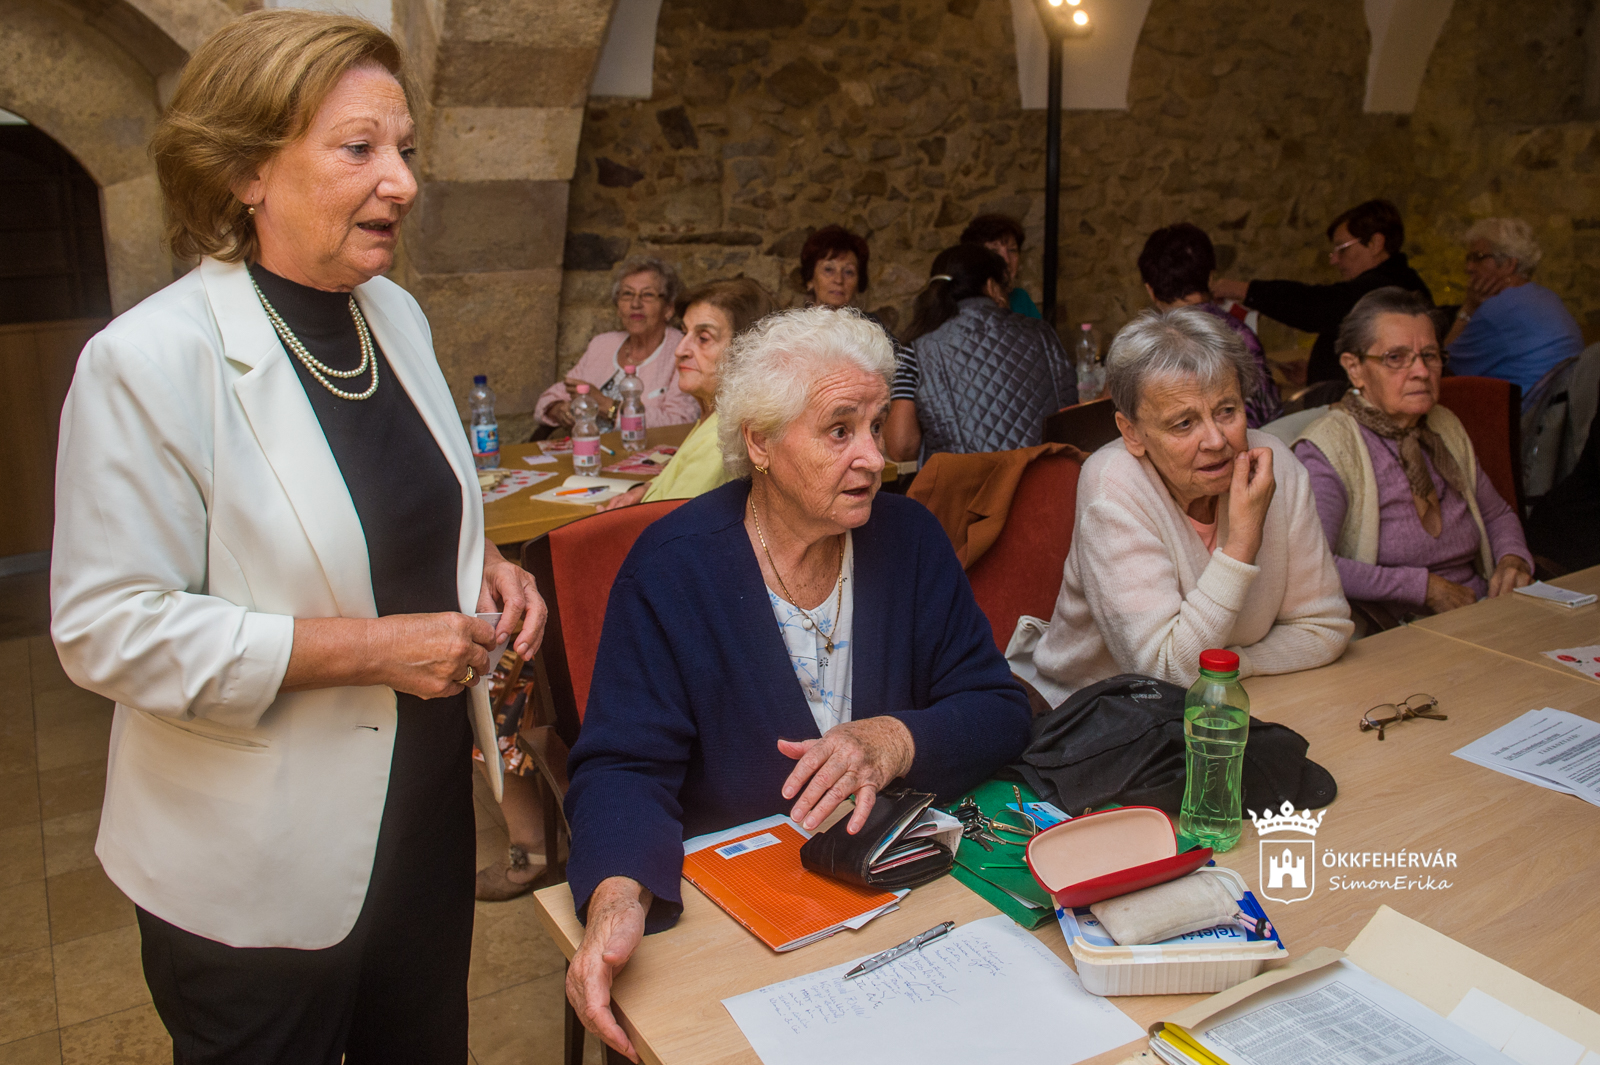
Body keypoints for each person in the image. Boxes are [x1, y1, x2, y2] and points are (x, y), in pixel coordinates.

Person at [48, 10, 547, 1061]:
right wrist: (371, 649)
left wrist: (484, 565)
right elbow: (107, 629)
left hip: (421, 825)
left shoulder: (395, 316)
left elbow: (398, 507)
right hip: (251, 863)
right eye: (360, 148)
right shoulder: (150, 360)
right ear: (246, 171)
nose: (402, 181)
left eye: (404, 149)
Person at [562, 306, 1032, 1061]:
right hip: (740, 919)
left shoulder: (908, 539)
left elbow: (998, 709)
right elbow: (624, 766)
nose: (874, 457)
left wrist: (893, 739)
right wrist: (618, 897)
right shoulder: (673, 568)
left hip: (900, 897)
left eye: (875, 425)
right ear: (760, 442)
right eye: (839, 430)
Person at [1014, 307, 1351, 704]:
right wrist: (1242, 544)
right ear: (1132, 433)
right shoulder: (1113, 487)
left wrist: (1234, 667)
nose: (1216, 440)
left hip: (1241, 700)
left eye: (1227, 411)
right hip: (1096, 714)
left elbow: (1324, 627)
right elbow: (1166, 673)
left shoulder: (1275, 466)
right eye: (1184, 424)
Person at [1293, 288, 1533, 614]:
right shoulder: (1330, 448)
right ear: (1354, 368)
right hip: (1399, 626)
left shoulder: (1444, 426)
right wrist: (1423, 588)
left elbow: (1497, 515)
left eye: (1430, 355)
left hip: (1481, 608)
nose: (1421, 371)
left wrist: (1512, 558)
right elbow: (1312, 563)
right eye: (1396, 357)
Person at [595, 277, 775, 511]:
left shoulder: (723, 437)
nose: (680, 350)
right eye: (684, 333)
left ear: (746, 352)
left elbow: (670, 525)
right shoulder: (715, 415)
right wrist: (648, 487)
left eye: (703, 338)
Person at [884, 243, 1076, 462]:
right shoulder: (1043, 334)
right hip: (1047, 480)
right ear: (992, 287)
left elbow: (902, 446)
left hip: (968, 484)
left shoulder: (916, 350)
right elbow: (1070, 418)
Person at [1213, 199, 1432, 386]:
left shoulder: (1387, 286)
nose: (1334, 260)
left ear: (1375, 243)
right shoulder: (1391, 280)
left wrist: (1244, 290)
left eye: (1342, 249)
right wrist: (1315, 372)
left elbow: (1317, 306)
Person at [1137, 223, 1282, 427]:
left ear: (1150, 290)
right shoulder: (1242, 333)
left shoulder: (1149, 349)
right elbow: (1271, 411)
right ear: (1211, 277)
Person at [535, 257, 696, 431]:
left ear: (669, 309)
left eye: (648, 295)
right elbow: (550, 397)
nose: (635, 304)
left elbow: (680, 422)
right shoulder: (602, 344)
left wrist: (607, 406)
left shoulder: (682, 351)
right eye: (627, 294)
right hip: (589, 445)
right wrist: (559, 409)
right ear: (618, 307)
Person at [1441, 218, 1584, 395]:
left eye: (1478, 258)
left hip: (1527, 410)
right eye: (1468, 259)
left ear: (1509, 264)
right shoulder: (1547, 296)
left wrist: (1468, 308)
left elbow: (1442, 368)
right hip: (1563, 407)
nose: (1468, 267)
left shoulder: (1497, 309)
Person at [961, 213, 1042, 319]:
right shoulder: (966, 304)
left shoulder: (1021, 298)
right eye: (994, 251)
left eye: (1012, 250)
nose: (1006, 260)